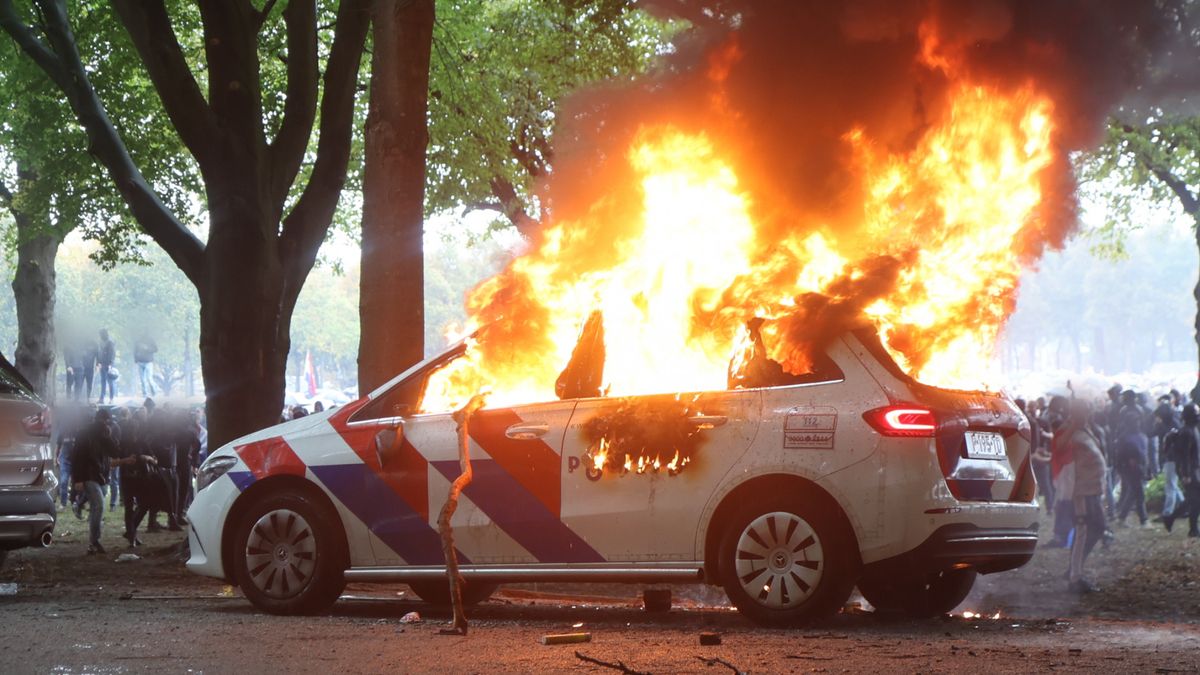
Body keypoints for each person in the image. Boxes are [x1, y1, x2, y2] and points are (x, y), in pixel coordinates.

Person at [1062, 399, 1108, 593]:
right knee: (1083, 531)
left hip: (1093, 490)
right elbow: (1060, 446)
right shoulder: (1070, 433)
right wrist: (1072, 425)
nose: (1087, 414)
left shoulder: (1087, 430)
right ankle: (1075, 578)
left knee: (1098, 528)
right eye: (1084, 412)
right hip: (1080, 492)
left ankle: (1074, 568)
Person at [70, 409, 119, 554]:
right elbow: (77, 456)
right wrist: (78, 479)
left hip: (101, 475)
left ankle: (78, 504)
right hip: (89, 474)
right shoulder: (84, 433)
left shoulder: (104, 434)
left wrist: (108, 436)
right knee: (98, 506)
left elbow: (114, 452)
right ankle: (94, 541)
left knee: (96, 504)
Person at [1115, 395, 1150, 527]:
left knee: (1133, 493)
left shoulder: (1138, 435)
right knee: (1138, 493)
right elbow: (1125, 455)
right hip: (1132, 468)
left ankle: (1122, 518)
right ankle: (1144, 520)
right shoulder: (1126, 437)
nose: (1138, 423)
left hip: (1138, 467)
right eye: (1135, 421)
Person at [1165, 405, 1200, 537]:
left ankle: (1171, 519)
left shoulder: (1191, 430)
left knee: (1193, 499)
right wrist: (1186, 474)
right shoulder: (1186, 432)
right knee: (1195, 499)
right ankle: (1193, 529)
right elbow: (1184, 455)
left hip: (1194, 470)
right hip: (1190, 472)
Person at [134, 333, 158, 397]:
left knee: (149, 379)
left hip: (148, 362)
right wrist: (136, 359)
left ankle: (154, 391)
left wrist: (147, 348)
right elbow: (135, 351)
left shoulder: (151, 340)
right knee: (142, 380)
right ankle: (144, 394)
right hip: (140, 362)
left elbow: (156, 349)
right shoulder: (138, 341)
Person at [97, 329, 116, 404]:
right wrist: (98, 362)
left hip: (108, 365)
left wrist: (110, 364)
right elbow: (99, 353)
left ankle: (111, 398)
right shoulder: (101, 342)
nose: (100, 336)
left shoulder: (110, 342)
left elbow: (112, 354)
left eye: (101, 334)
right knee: (103, 382)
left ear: (104, 334)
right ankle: (102, 398)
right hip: (102, 364)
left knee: (110, 382)